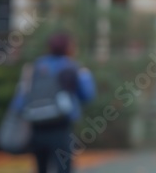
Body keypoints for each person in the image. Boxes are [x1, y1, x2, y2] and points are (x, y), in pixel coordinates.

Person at [10, 31, 96, 173]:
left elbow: (21, 99)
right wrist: (85, 75)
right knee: (63, 166)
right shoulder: (70, 66)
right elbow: (87, 95)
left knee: (41, 167)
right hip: (60, 126)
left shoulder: (36, 66)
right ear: (68, 47)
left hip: (36, 125)